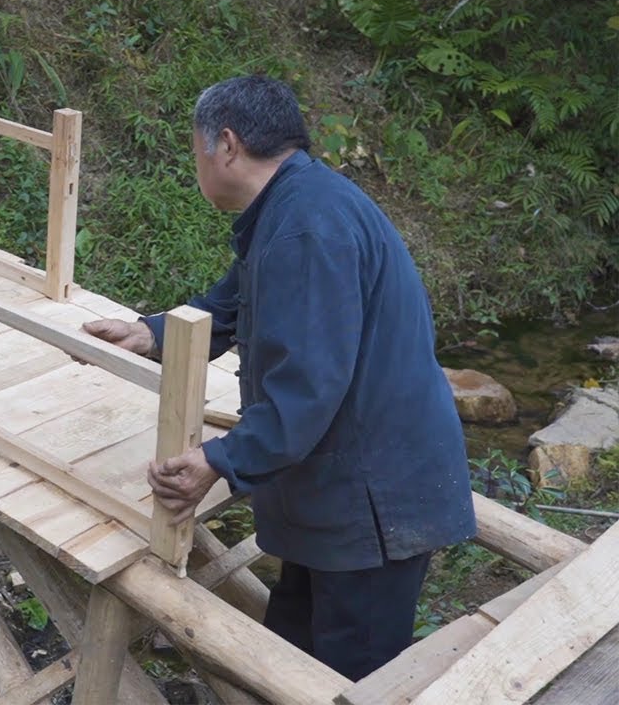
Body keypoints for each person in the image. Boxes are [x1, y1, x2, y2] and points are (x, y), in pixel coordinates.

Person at [82, 74, 477, 681]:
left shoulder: (307, 227)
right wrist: (153, 333)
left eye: (197, 150)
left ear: (228, 145)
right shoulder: (295, 205)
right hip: (342, 487)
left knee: (350, 677)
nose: (198, 164)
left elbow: (309, 384)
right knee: (291, 658)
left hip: (372, 501)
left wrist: (220, 459)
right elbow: (240, 297)